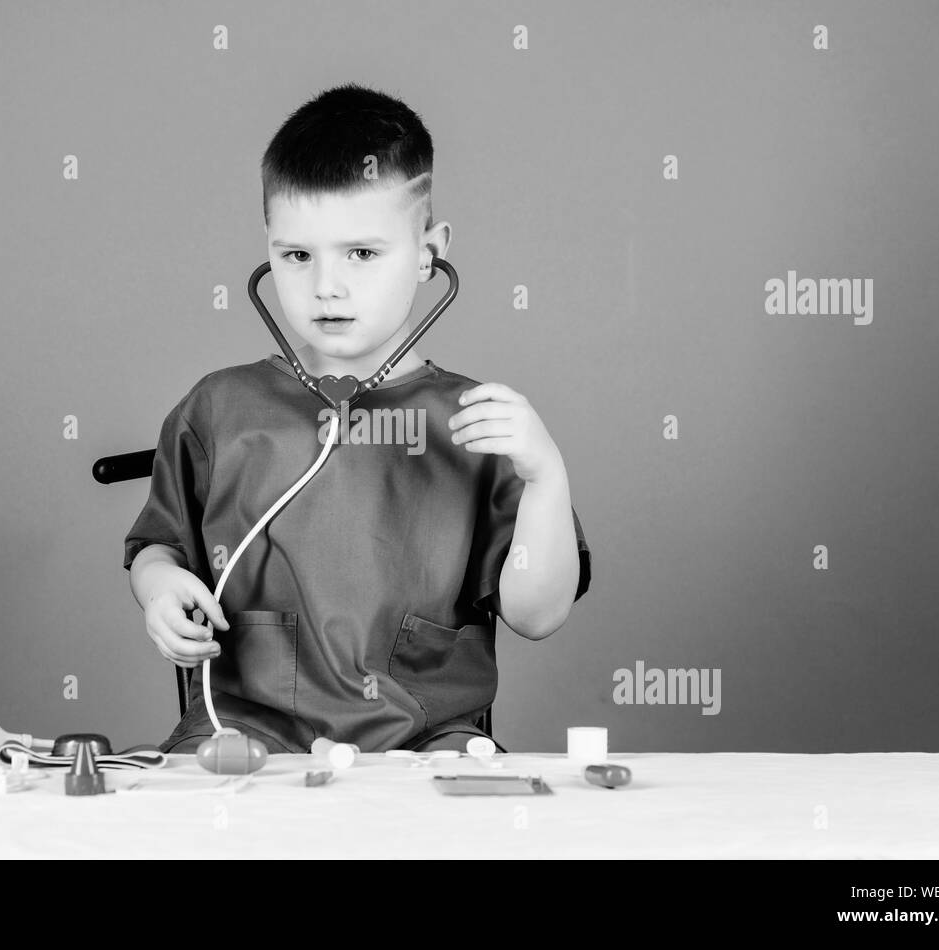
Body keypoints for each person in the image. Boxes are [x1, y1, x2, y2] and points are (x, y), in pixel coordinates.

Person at [125, 82, 591, 755]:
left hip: (423, 743)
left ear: (430, 251)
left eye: (363, 254)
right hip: (246, 735)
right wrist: (159, 586)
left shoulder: (477, 425)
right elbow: (158, 545)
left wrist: (546, 478)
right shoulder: (217, 411)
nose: (327, 287)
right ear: (269, 247)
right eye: (297, 255)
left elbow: (538, 614)